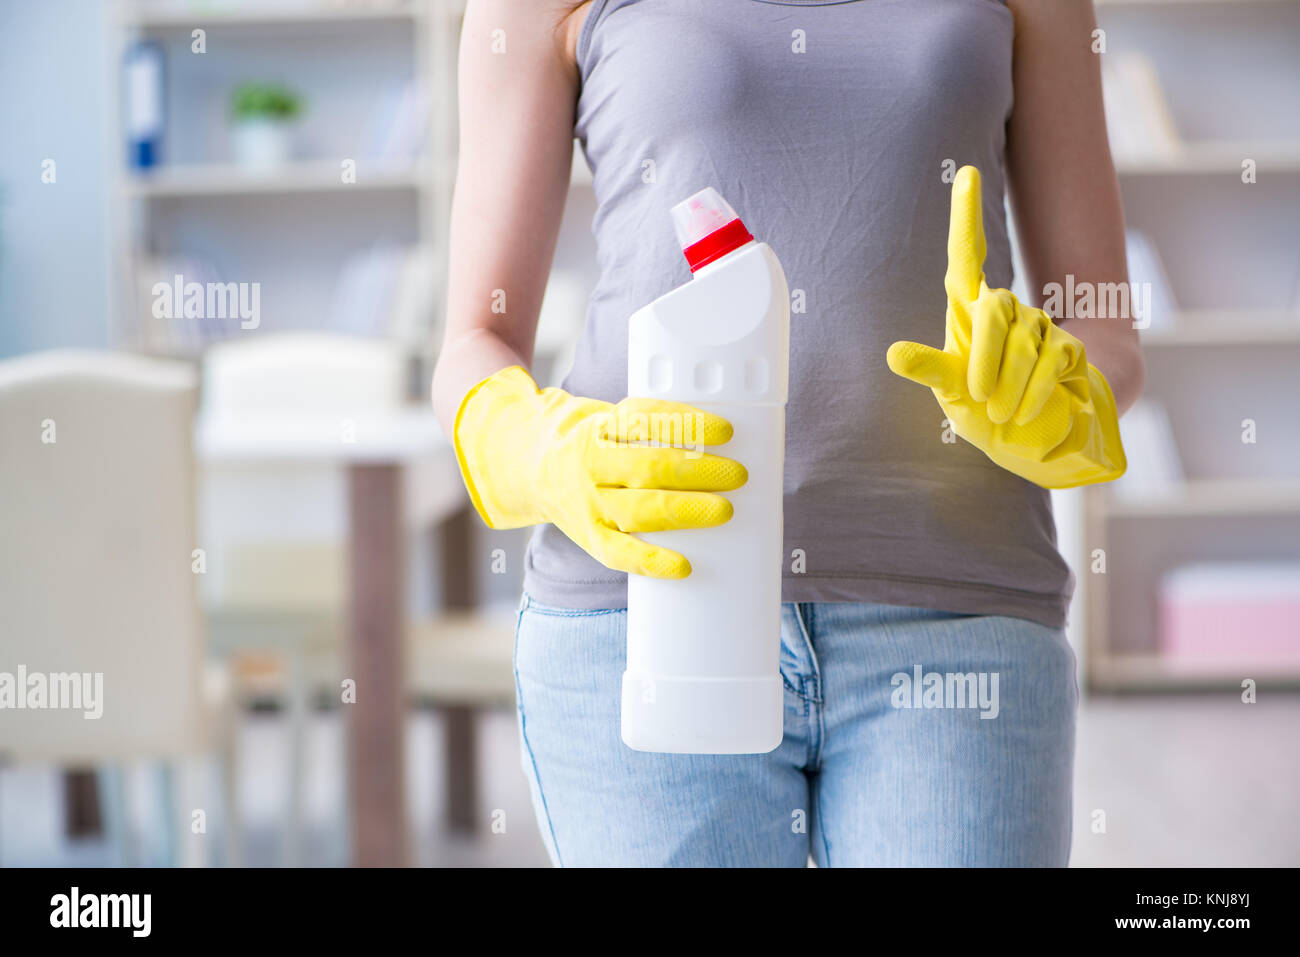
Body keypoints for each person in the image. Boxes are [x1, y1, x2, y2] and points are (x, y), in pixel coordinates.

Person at [432, 0, 1144, 867]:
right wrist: (544, 455)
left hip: (957, 611)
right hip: (650, 606)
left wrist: (1059, 394)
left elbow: (1103, 328)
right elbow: (477, 339)